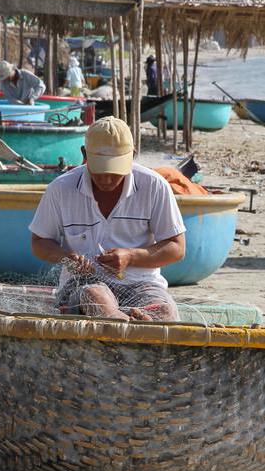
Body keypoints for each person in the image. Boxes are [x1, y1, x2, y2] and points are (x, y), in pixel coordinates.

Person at [28, 116, 186, 322]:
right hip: (83, 283)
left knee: (164, 312)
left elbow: (177, 247)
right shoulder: (60, 189)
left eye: (115, 172)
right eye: (100, 171)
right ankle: (122, 320)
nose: (107, 179)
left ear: (132, 156)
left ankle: (122, 321)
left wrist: (131, 256)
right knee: (94, 297)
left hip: (142, 284)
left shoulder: (155, 186)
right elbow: (39, 242)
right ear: (84, 155)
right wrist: (67, 257)